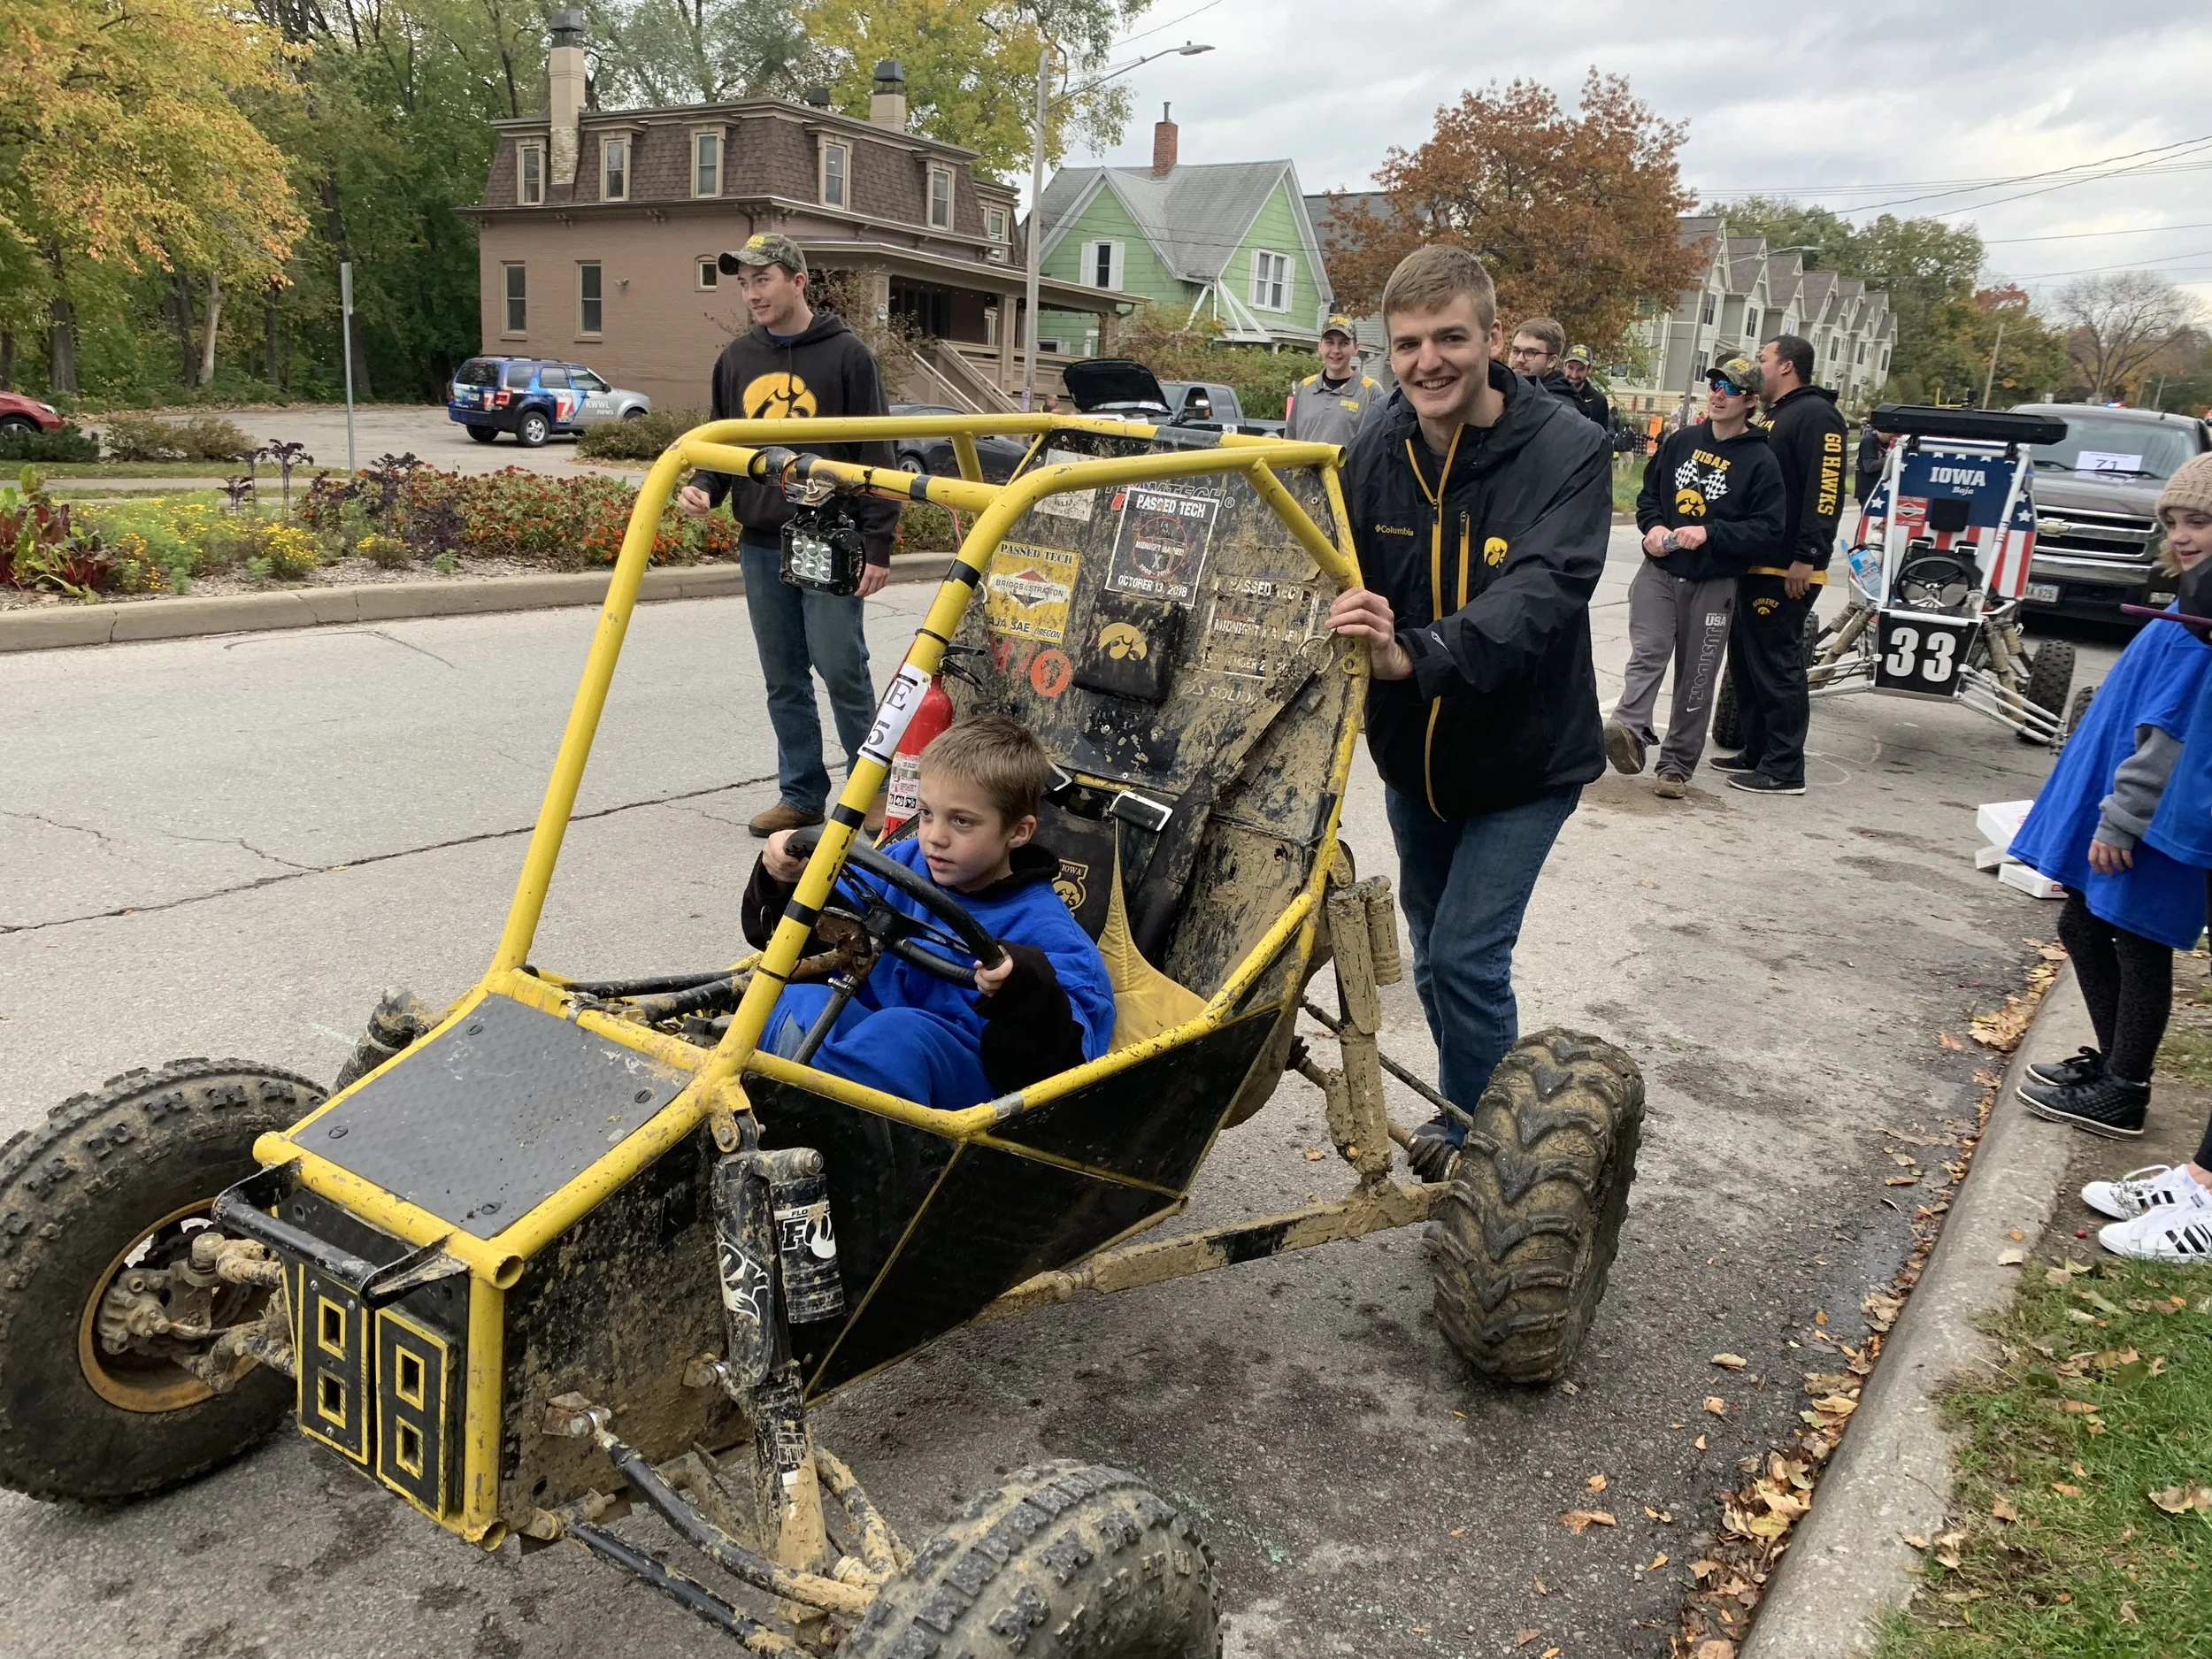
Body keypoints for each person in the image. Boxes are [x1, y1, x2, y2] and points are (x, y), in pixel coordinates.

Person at [1324, 247, 1611, 1181]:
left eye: (1450, 337)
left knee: (1463, 960)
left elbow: (1541, 590)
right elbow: (1320, 557)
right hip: (1415, 761)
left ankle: (1488, 1158)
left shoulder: (1567, 449)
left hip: (1523, 765)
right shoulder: (1373, 447)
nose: (1428, 362)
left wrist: (1420, 651)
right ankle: (1470, 1106)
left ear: (1492, 338)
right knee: (1432, 947)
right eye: (1408, 344)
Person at [741, 716, 1115, 1110]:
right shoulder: (905, 862)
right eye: (926, 813)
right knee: (795, 997)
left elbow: (1067, 1066)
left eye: (961, 821)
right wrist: (782, 880)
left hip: (976, 1085)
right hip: (871, 1045)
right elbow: (812, 941)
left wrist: (1022, 984)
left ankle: (807, 1117)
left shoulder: (1051, 933)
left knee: (900, 1031)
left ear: (1018, 832)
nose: (935, 836)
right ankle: (762, 1111)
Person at [2007, 460, 2212, 1163]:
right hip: (2135, 809)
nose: (2182, 536)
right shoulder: (2190, 600)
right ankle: (2117, 1066)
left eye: (2200, 522)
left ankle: (2126, 1084)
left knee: (2132, 936)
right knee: (2089, 921)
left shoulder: (2202, 621)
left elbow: (2171, 730)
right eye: (2173, 522)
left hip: (2152, 819)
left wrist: (2122, 817)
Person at [680, 233, 900, 838]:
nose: (752, 293)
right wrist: (706, 485)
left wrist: (878, 544)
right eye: (745, 283)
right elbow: (724, 443)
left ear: (798, 282)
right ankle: (801, 793)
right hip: (761, 540)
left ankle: (871, 790)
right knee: (783, 675)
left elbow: (878, 453)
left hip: (830, 537)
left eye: (764, 280)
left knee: (841, 667)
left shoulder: (848, 355)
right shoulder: (736, 359)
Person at [1605, 355, 1786, 798]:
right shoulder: (1681, 440)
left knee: (1697, 676)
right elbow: (1649, 496)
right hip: (1661, 571)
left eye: (1730, 388)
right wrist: (1653, 529)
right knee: (1648, 651)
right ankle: (1629, 730)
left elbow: (1769, 529)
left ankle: (1676, 767)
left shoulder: (1761, 461)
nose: (1718, 393)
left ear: (1750, 402)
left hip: (1713, 582)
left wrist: (1710, 532)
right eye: (1714, 384)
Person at [1712, 334, 1847, 796]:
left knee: (1776, 665)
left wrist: (1808, 556)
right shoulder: (1777, 416)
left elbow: (1825, 491)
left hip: (1787, 566)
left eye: (1764, 359)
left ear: (1787, 366)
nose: (1758, 366)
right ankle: (1758, 750)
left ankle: (1785, 768)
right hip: (1758, 562)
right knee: (1747, 664)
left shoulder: (1817, 416)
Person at [1285, 315, 1390, 445]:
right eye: (1330, 342)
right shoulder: (1305, 388)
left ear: (1356, 348)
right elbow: (1289, 439)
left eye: (1344, 343)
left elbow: (1378, 447)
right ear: (1320, 346)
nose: (1336, 350)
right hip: (1303, 466)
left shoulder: (1371, 392)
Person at [1556, 344, 1616, 433]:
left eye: (1580, 369)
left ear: (1589, 369)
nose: (1574, 375)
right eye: (1570, 368)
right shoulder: (1552, 392)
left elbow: (1601, 438)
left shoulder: (1598, 401)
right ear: (1564, 366)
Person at [1507, 316, 1571, 397]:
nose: (1519, 359)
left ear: (1551, 361)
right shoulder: (1502, 391)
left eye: (1530, 353)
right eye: (1515, 351)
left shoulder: (1557, 406)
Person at [1854, 424, 1889, 503]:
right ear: (1882, 431)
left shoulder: (1883, 443)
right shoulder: (1869, 441)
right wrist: (1890, 459)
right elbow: (1869, 466)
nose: (1891, 438)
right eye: (1890, 435)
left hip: (1878, 488)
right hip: (1868, 489)